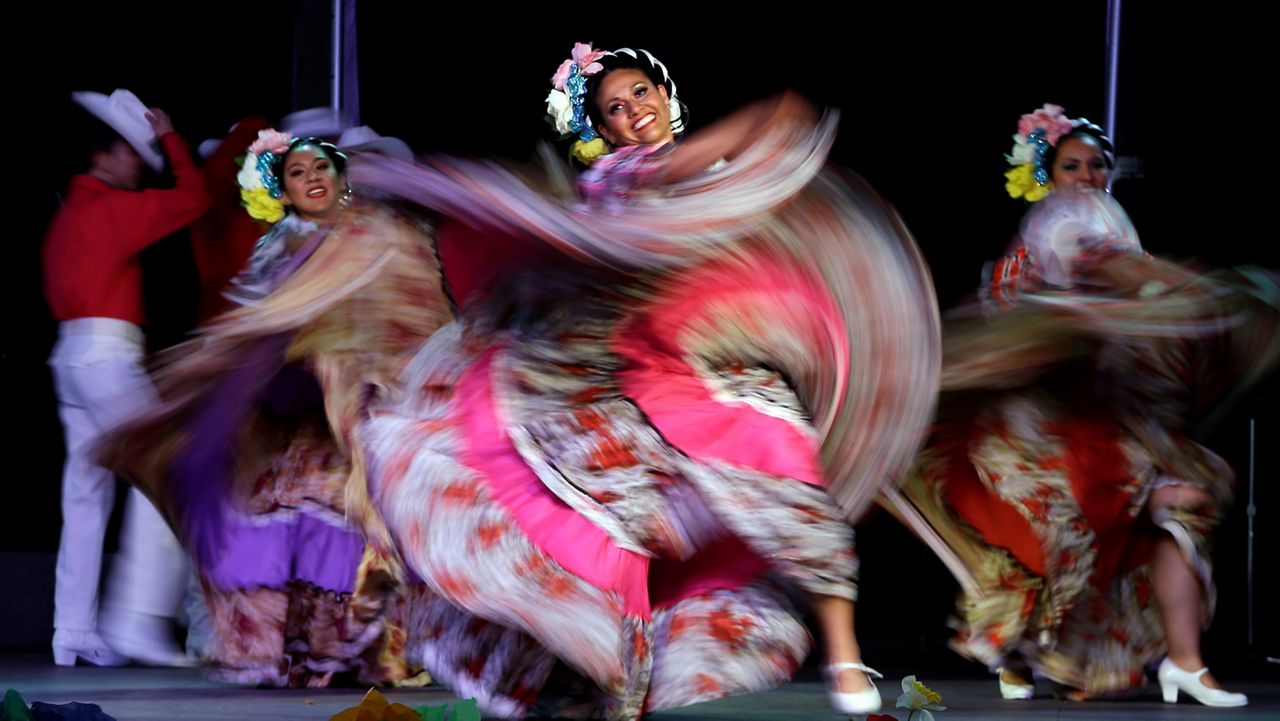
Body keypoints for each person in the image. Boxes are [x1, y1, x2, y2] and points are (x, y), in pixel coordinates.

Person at [354, 43, 940, 718]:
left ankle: (843, 657)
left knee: (787, 468)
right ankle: (614, 674)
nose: (634, 113)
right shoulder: (623, 177)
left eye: (641, 95)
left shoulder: (710, 178)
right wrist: (770, 133)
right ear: (602, 132)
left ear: (665, 94)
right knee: (630, 535)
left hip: (710, 363)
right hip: (626, 381)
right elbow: (759, 132)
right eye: (615, 110)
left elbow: (769, 143)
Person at [889, 103, 1278, 706]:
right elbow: (1104, 270)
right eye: (1073, 165)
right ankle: (1036, 651)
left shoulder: (1108, 219)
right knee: (1074, 529)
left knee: (1184, 503)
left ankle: (1185, 662)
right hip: (1053, 415)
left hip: (1118, 410)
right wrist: (1192, 288)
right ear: (1051, 173)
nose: (1088, 176)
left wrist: (1192, 304)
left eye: (1098, 165)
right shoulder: (1059, 220)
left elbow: (1127, 292)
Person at [102, 132, 451, 686]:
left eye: (322, 167)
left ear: (341, 178)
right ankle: (296, 654)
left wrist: (368, 368)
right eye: (295, 172)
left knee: (370, 519)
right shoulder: (279, 250)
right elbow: (259, 329)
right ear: (283, 193)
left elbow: (420, 316)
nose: (311, 177)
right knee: (286, 512)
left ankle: (379, 652)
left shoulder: (386, 236)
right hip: (305, 416)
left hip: (377, 414)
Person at [45, 88, 208, 667]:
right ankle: (135, 620)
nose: (140, 162)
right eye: (131, 152)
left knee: (85, 496)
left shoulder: (69, 215)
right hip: (106, 360)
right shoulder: (109, 211)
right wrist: (170, 138)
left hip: (70, 360)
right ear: (103, 156)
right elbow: (193, 198)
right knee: (167, 475)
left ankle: (73, 631)